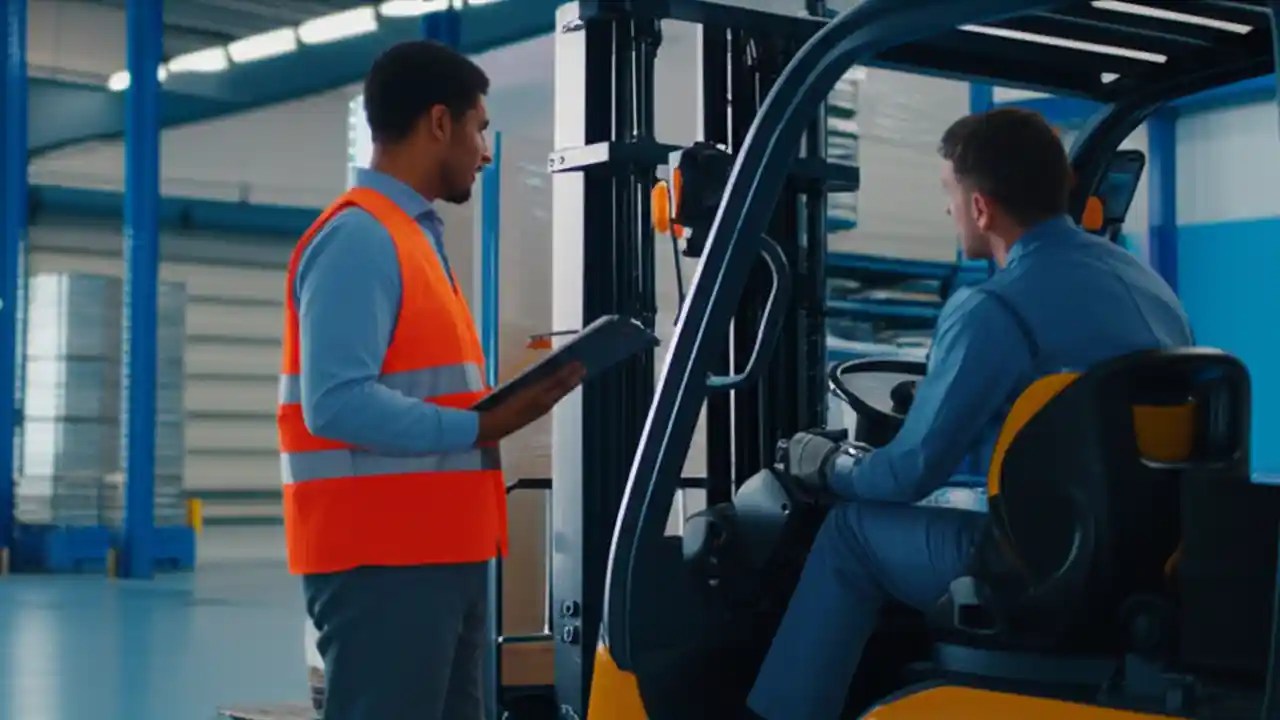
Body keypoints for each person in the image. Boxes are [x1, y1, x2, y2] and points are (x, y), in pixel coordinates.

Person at [745, 108, 1194, 720]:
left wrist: (828, 465)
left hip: (1050, 576)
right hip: (1147, 567)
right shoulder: (1146, 283)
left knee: (849, 532)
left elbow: (907, 476)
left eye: (950, 196)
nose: (948, 211)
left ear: (980, 207)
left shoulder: (992, 309)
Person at [276, 41, 584, 720]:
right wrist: (481, 424)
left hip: (438, 555)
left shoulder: (414, 237)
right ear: (438, 123)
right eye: (479, 128)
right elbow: (336, 404)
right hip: (385, 563)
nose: (486, 150)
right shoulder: (360, 238)